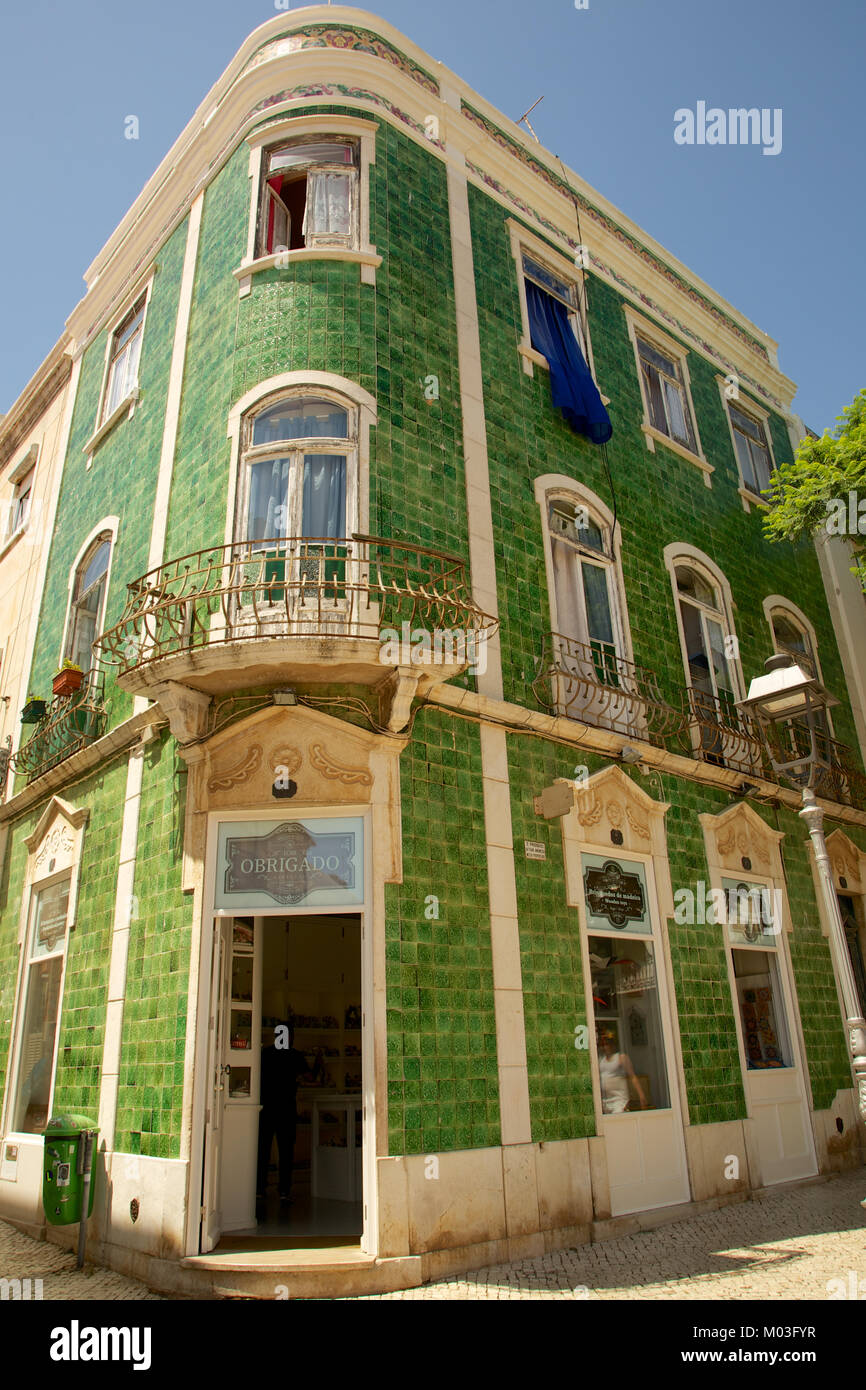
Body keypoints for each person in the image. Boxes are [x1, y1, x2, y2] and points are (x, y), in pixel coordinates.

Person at [256, 1023, 322, 1203]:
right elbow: (310, 1078)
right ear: (290, 1036)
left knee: (263, 1149)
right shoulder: (295, 1055)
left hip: (266, 1107)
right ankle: (284, 1190)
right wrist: (317, 1063)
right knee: (286, 1151)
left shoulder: (265, 1054)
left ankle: (260, 1188)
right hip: (286, 1108)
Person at [596, 1029, 648, 1113]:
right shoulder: (601, 1060)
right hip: (605, 1101)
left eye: (607, 1044)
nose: (605, 1047)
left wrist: (641, 1096)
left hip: (619, 1101)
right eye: (603, 1044)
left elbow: (633, 1077)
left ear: (613, 1045)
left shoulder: (621, 1058)